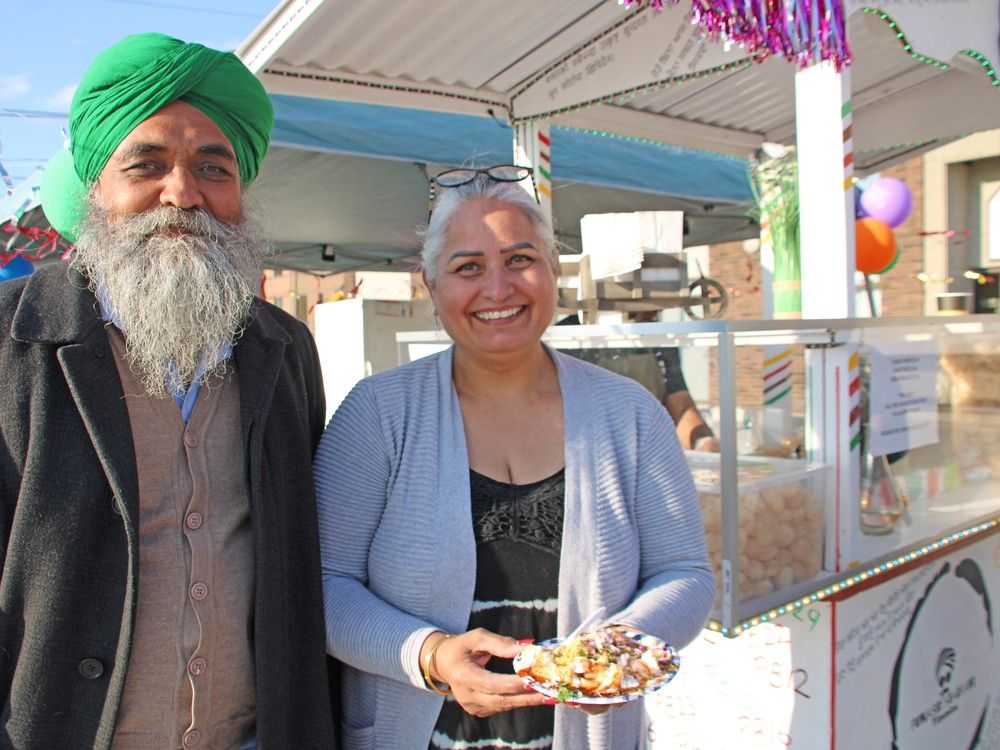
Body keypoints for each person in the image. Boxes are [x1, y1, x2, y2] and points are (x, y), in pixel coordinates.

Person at [0, 33, 336, 748]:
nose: (182, 194)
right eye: (146, 164)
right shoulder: (10, 345)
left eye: (213, 168)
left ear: (240, 194)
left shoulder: (286, 349)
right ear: (97, 188)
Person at [314, 168, 714, 749]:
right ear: (430, 285)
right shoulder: (378, 414)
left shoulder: (631, 414)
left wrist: (603, 659)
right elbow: (324, 583)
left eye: (521, 259)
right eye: (468, 267)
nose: (497, 289)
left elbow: (687, 575)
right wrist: (428, 656)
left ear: (554, 271)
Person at [556, 313, 720, 452]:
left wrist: (704, 444)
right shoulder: (569, 336)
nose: (656, 312)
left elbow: (681, 406)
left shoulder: (657, 336)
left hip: (650, 462)